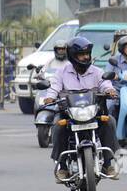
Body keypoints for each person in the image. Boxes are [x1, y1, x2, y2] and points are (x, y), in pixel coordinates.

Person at [48, 36, 120, 181]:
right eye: (81, 54)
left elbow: (105, 84)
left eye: (87, 54)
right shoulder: (61, 72)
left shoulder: (97, 71)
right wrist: (50, 97)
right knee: (57, 125)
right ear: (73, 56)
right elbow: (54, 87)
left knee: (109, 122)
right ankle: (62, 166)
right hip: (69, 115)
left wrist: (109, 91)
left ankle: (107, 163)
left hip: (93, 114)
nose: (85, 57)